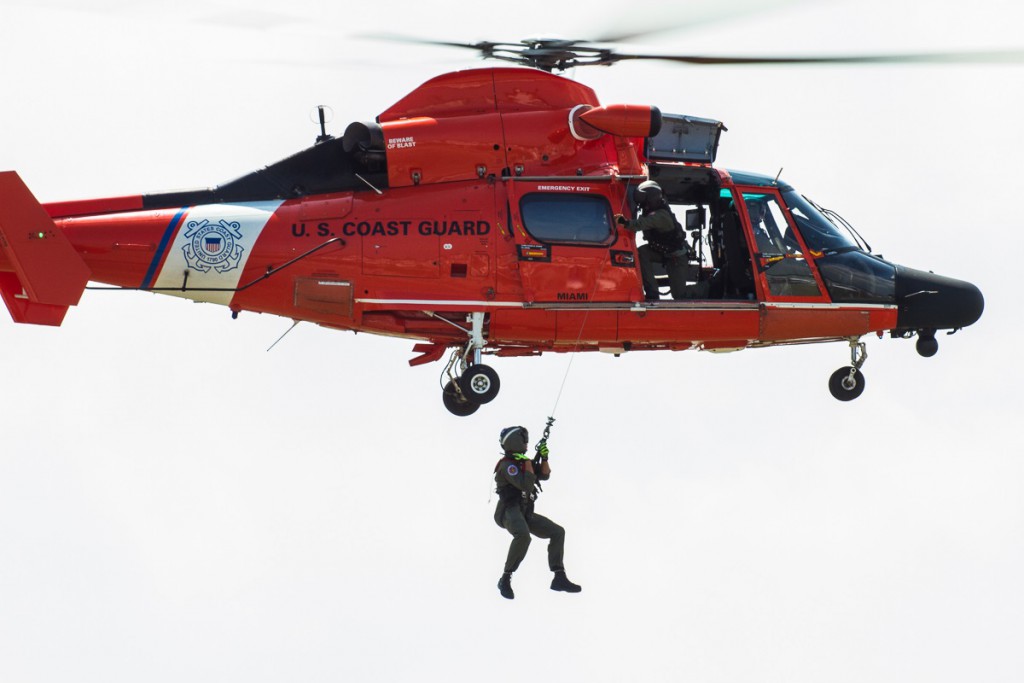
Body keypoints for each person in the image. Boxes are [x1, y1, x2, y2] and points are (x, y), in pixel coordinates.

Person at [493, 425, 582, 600]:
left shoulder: (522, 463)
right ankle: (505, 578)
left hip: (525, 512)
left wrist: (544, 458)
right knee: (523, 536)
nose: (527, 443)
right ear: (515, 441)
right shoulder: (507, 465)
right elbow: (525, 484)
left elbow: (545, 474)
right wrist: (528, 463)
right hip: (508, 512)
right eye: (524, 439)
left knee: (557, 532)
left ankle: (559, 576)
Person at [616, 180, 691, 301]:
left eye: (644, 202)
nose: (643, 206)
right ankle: (652, 292)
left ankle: (709, 286)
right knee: (642, 252)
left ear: (651, 199)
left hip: (676, 258)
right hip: (663, 253)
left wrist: (625, 223)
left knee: (680, 295)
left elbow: (641, 224)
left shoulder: (661, 215)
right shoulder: (653, 212)